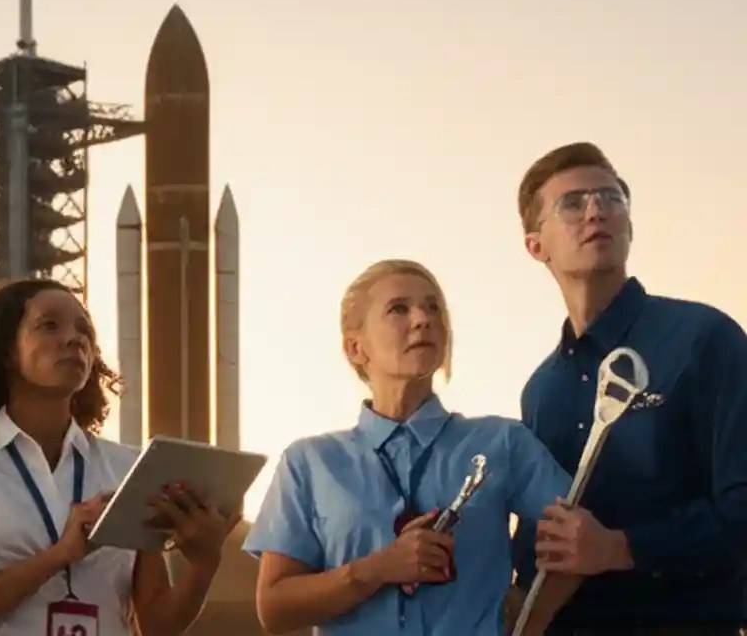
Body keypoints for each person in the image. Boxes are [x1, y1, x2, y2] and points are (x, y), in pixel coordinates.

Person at [244, 259, 577, 635]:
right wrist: (377, 569)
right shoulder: (308, 465)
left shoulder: (503, 443)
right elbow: (274, 609)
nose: (423, 319)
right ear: (356, 348)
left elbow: (579, 540)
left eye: (433, 307)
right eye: (398, 309)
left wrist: (532, 621)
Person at [0, 278, 240, 636]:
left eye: (85, 331)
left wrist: (204, 563)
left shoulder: (129, 467)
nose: (74, 339)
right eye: (49, 325)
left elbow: (156, 626)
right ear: (6, 351)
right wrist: (58, 556)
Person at [511, 142, 747, 635]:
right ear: (537, 245)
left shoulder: (705, 339)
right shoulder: (540, 391)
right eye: (572, 203)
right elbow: (538, 543)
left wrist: (621, 547)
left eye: (611, 198)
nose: (596, 210)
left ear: (629, 225)